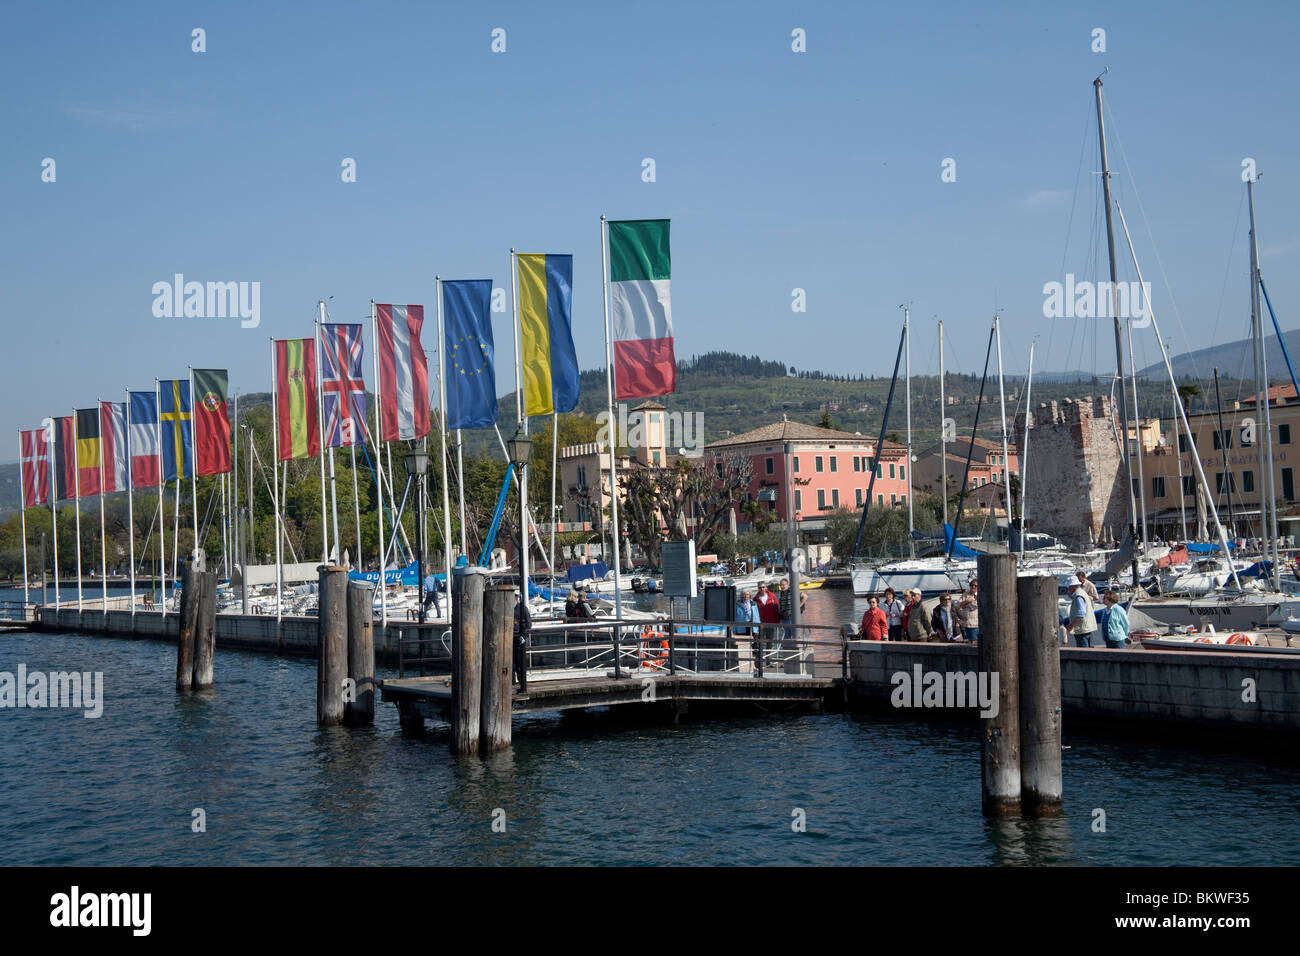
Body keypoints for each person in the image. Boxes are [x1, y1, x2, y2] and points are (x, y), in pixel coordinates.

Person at [1066, 580, 1099, 647]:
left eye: (1069, 587)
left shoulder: (1078, 596)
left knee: (1083, 651)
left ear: (1072, 586)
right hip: (1087, 627)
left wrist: (1072, 625)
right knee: (1088, 649)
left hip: (1082, 628)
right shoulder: (1082, 593)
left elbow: (1081, 613)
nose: (1068, 589)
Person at [513, 592, 532, 691]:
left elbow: (528, 624)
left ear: (516, 598)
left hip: (519, 640)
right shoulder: (507, 608)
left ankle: (523, 685)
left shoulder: (522, 609)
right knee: (510, 664)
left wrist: (524, 636)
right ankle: (511, 684)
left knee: (520, 664)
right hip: (509, 639)